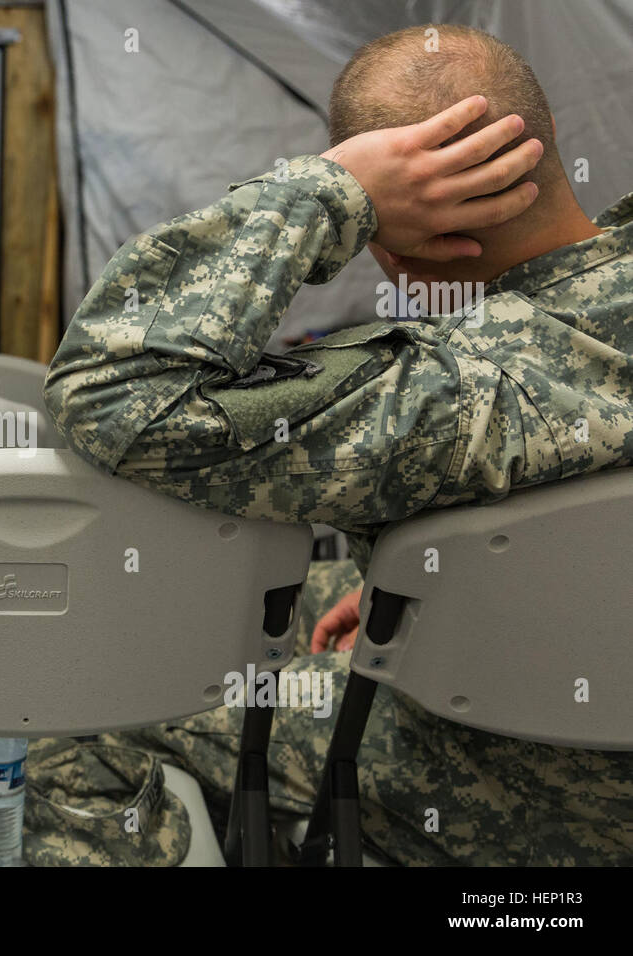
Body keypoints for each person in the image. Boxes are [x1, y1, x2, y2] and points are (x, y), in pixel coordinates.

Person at [45, 24, 633, 865]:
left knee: (77, 724)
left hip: (506, 789)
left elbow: (110, 390)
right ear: (538, 156)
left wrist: (327, 194)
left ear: (401, 236)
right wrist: (436, 568)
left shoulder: (436, 396)